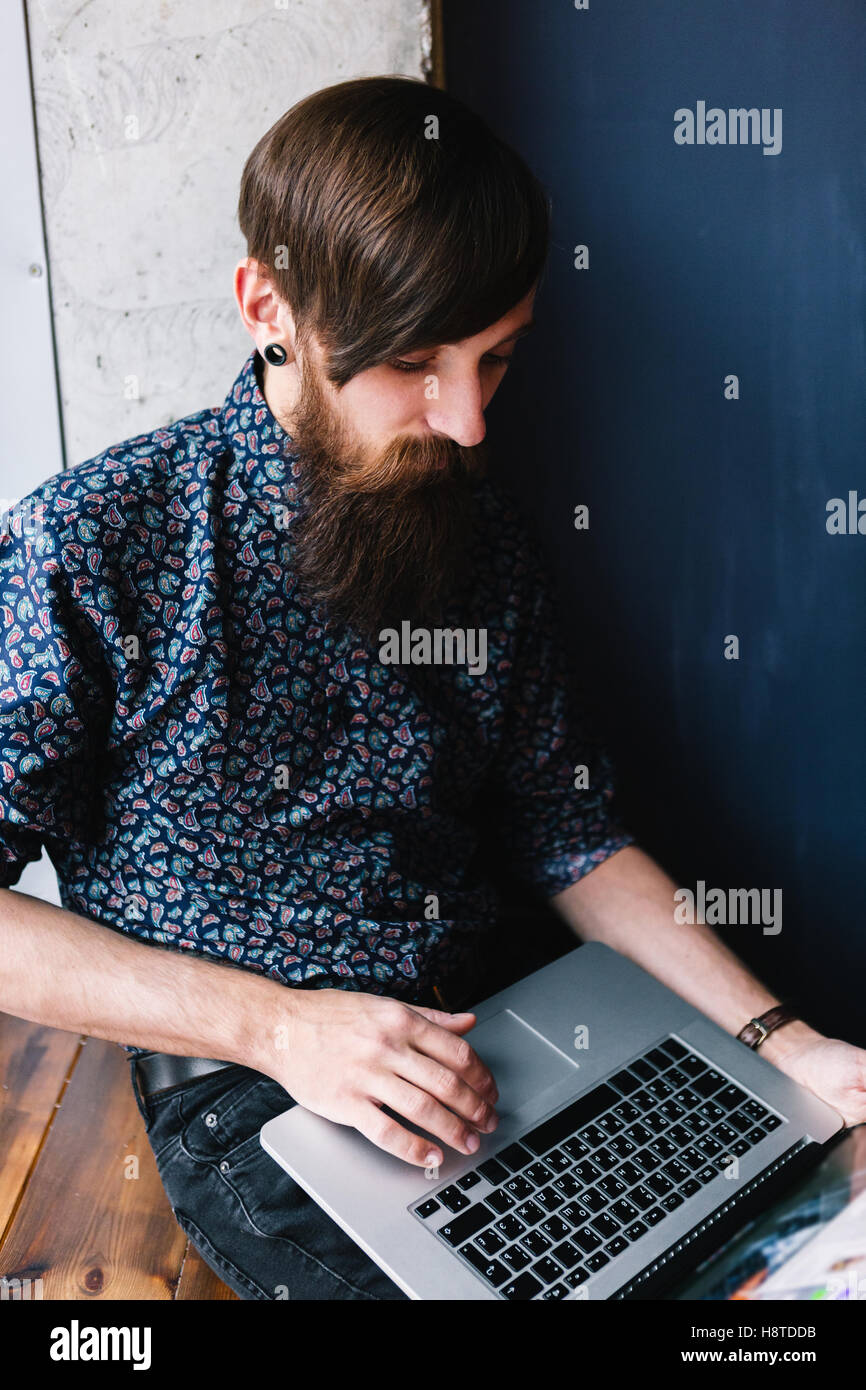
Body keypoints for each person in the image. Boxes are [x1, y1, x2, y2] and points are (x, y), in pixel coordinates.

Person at [1, 76, 863, 1302]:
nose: (464, 422)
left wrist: (784, 1044)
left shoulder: (484, 534)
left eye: (496, 360)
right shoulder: (88, 546)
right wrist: (277, 1027)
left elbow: (568, 835)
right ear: (269, 307)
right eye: (412, 362)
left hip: (529, 1020)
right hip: (265, 1091)